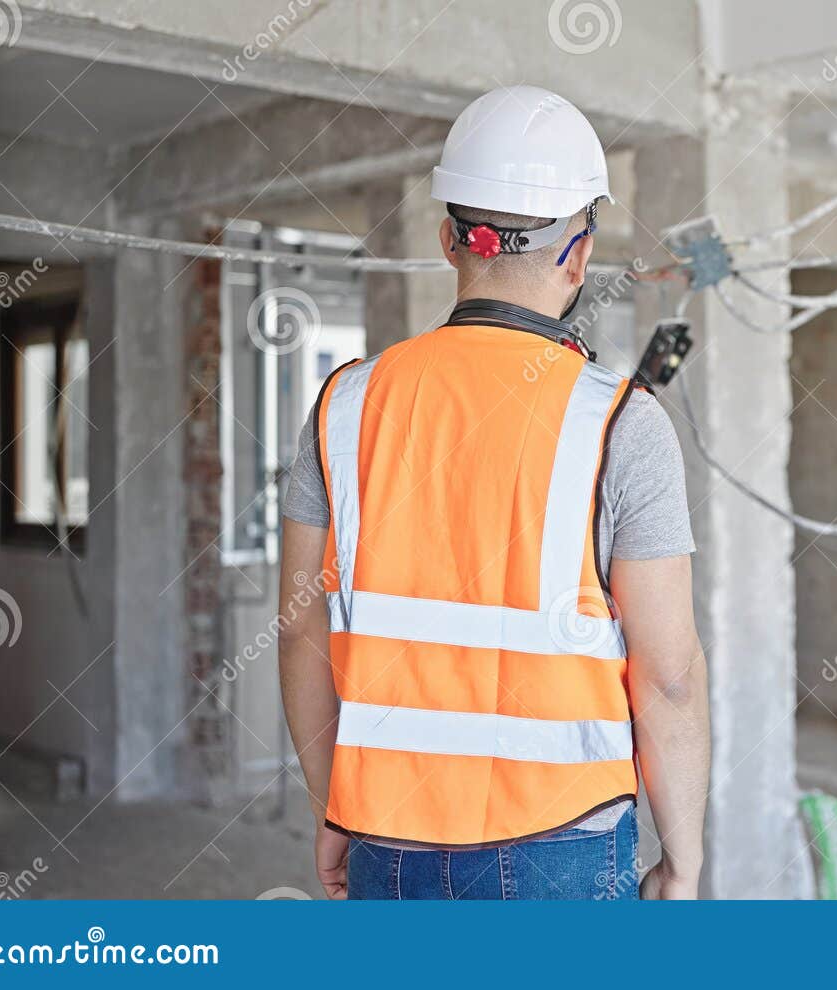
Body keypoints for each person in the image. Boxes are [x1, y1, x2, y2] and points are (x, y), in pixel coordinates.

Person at [277, 85, 709, 901]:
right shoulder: (621, 422)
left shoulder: (343, 406)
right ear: (578, 255)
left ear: (449, 240)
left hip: (386, 837)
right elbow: (668, 675)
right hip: (563, 845)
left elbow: (301, 629)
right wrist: (682, 858)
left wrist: (332, 801)